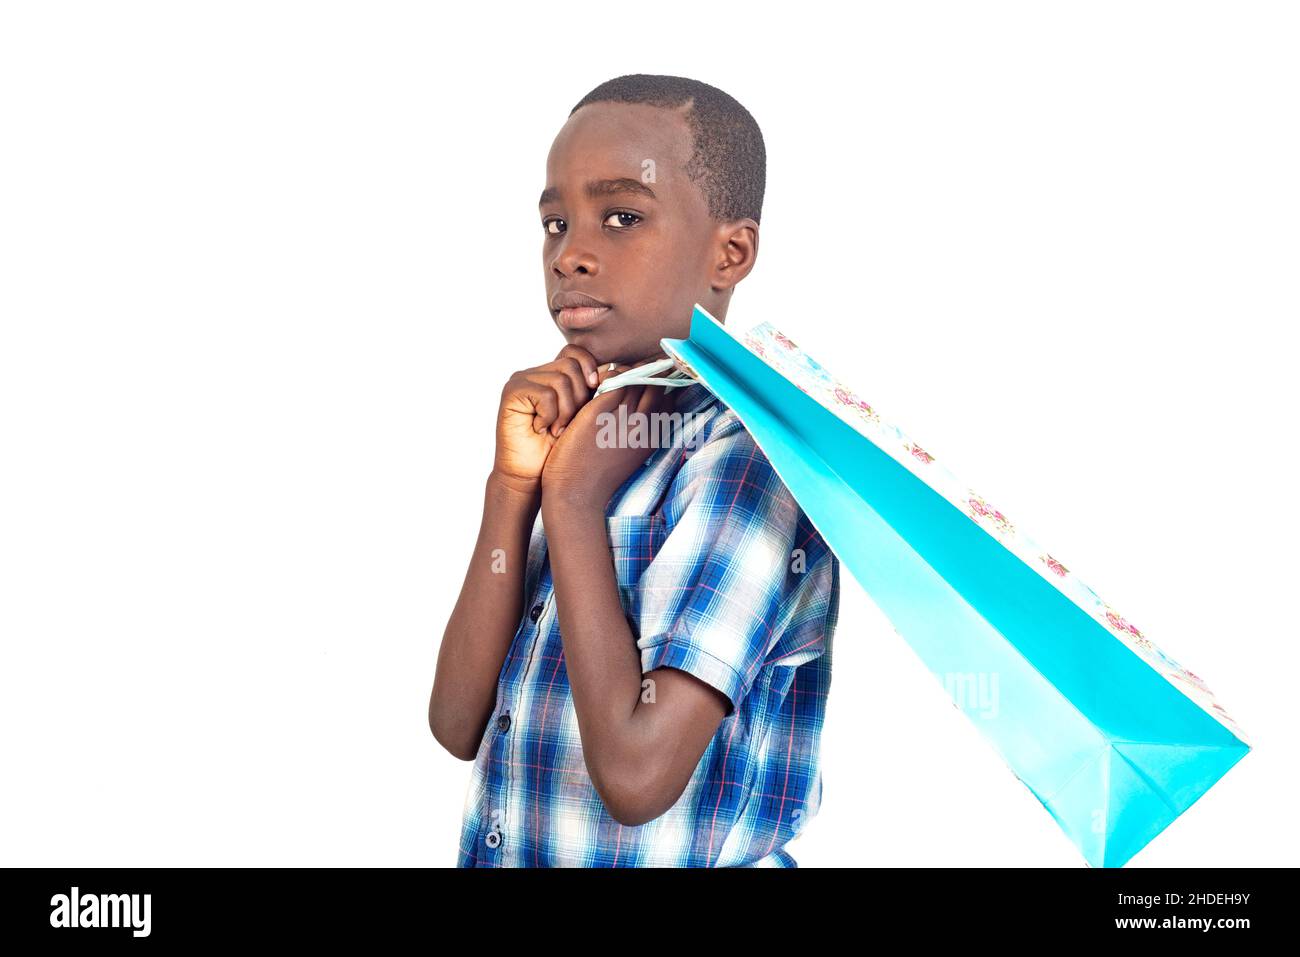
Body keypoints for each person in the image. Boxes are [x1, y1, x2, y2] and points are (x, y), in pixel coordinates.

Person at [428, 74, 840, 867]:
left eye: (622, 217)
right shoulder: (583, 428)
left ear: (731, 252)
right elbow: (456, 721)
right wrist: (514, 487)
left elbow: (638, 774)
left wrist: (574, 505)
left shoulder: (749, 459)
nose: (572, 253)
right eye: (556, 223)